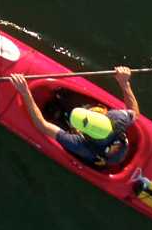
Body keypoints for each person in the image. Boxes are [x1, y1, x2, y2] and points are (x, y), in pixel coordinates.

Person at [10, 68, 141, 170]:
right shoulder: (118, 118)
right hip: (114, 144)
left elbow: (42, 125)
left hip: (102, 155)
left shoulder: (81, 145)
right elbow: (135, 114)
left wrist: (25, 93)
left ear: (84, 134)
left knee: (54, 117)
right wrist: (124, 83)